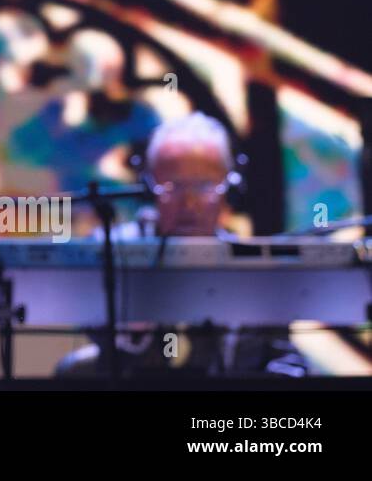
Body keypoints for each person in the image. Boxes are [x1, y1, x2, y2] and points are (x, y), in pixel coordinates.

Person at [55, 112, 306, 378]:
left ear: (230, 186)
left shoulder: (254, 270)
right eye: (173, 186)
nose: (189, 203)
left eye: (205, 186)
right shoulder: (113, 250)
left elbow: (285, 360)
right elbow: (101, 337)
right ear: (149, 186)